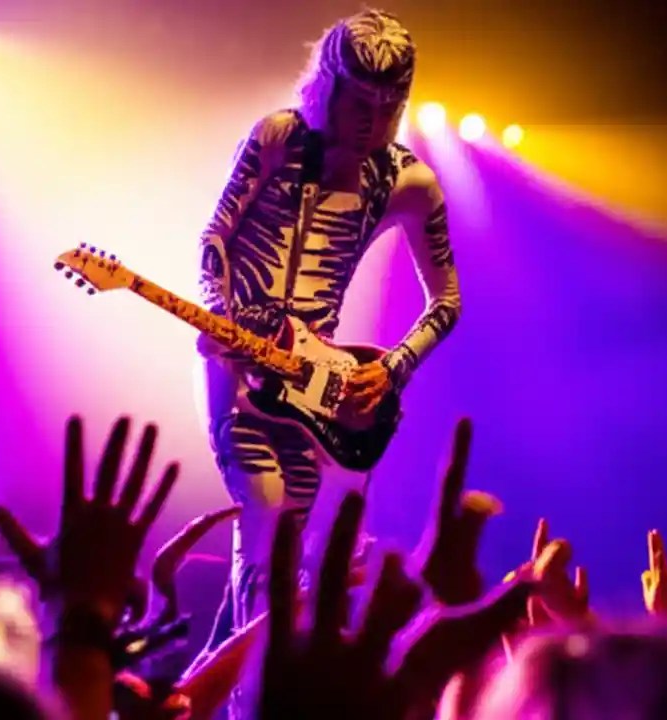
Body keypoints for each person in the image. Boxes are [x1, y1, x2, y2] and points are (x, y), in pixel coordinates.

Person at [192, 7, 461, 689]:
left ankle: (234, 690)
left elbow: (447, 300)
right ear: (327, 84)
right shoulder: (278, 137)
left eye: (388, 104)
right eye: (358, 99)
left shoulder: (409, 182)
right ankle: (241, 696)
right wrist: (225, 318)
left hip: (318, 386)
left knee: (285, 548)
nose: (371, 119)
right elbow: (215, 238)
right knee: (262, 503)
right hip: (244, 364)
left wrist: (391, 373)